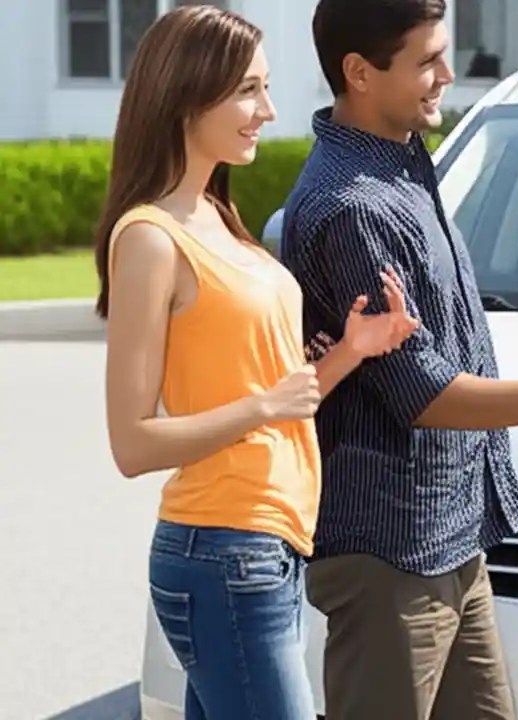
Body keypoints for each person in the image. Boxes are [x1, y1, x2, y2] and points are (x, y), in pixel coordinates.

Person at [277, 1, 518, 718]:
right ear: (360, 73)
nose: (447, 76)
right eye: (426, 61)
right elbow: (421, 392)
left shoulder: (400, 166)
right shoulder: (351, 207)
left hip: (452, 540)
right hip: (389, 553)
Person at [93, 6, 417, 719]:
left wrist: (350, 355)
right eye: (248, 90)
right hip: (222, 552)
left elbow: (277, 396)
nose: (268, 110)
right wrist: (262, 407)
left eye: (266, 89)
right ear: (186, 92)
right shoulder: (151, 239)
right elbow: (132, 442)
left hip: (264, 549)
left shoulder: (217, 217)